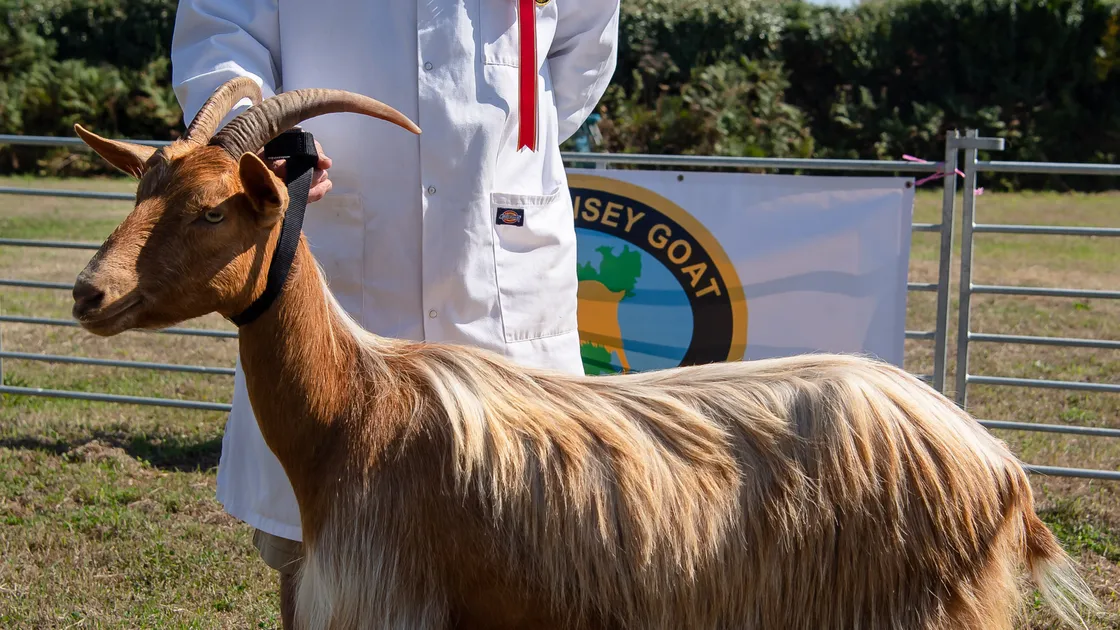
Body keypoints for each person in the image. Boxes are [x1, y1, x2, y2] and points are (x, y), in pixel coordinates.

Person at [169, 0, 620, 625]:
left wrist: (505, 131)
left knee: (525, 535)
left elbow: (584, 42)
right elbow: (220, 27)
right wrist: (258, 133)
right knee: (324, 548)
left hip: (494, 233)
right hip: (328, 217)